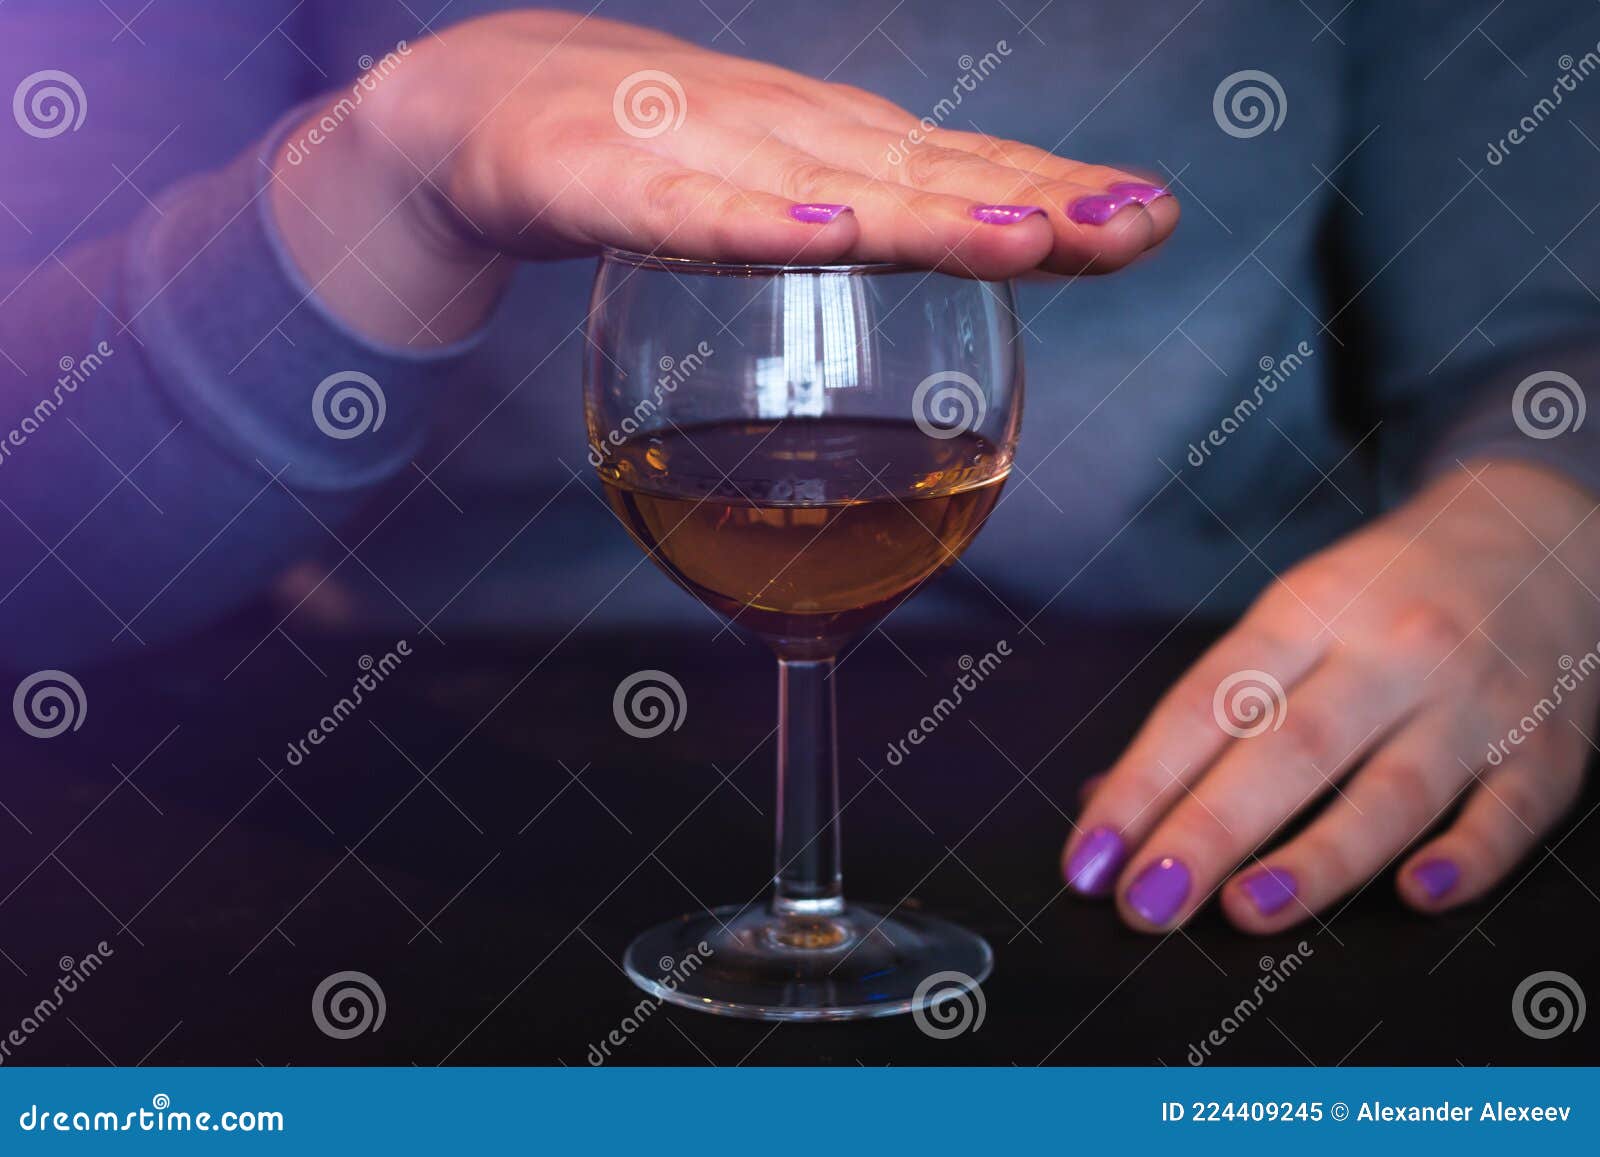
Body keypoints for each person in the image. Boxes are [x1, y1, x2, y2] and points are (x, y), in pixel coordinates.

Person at [2, 2, 1596, 938]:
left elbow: (1544, 324)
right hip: (405, 779)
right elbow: (34, 538)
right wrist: (385, 166)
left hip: (1214, 737)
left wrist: (1542, 513)